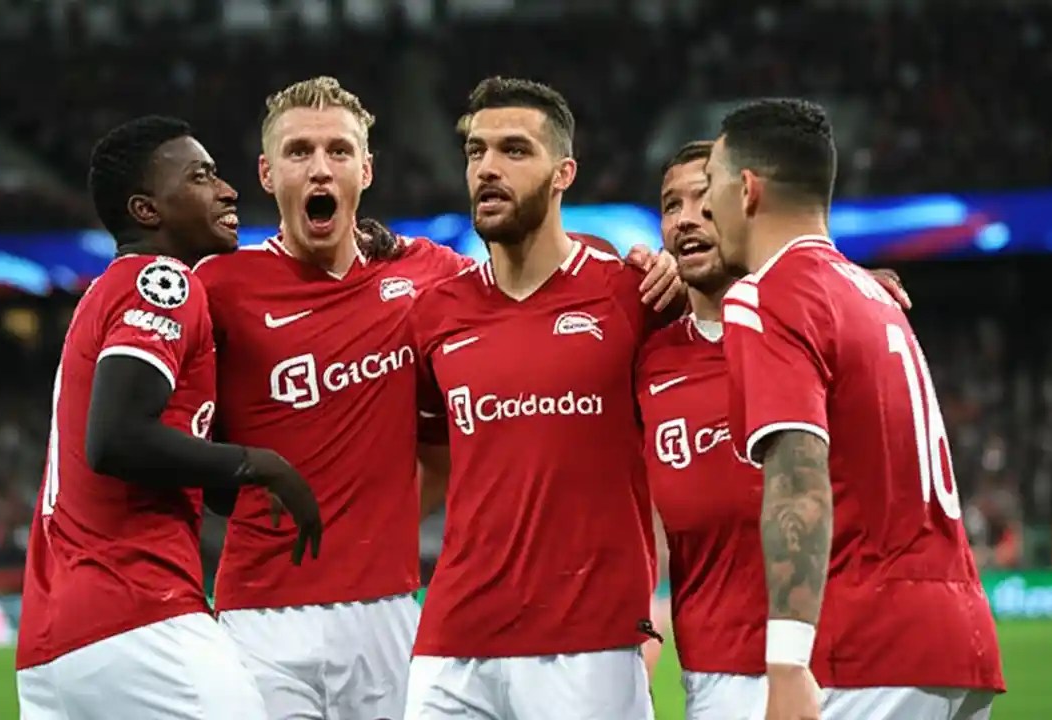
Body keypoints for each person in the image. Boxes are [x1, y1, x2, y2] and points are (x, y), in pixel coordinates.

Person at [197, 77, 682, 720]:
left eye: (339, 151)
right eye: (298, 152)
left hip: (394, 611)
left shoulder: (432, 281)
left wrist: (658, 268)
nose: (320, 167)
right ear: (265, 171)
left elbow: (541, 299)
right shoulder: (218, 288)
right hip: (260, 608)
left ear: (366, 170)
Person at [702, 98, 1005, 720]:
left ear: (749, 190)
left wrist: (786, 663)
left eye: (711, 184)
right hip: (960, 639)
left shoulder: (765, 297)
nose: (705, 206)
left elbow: (799, 478)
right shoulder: (873, 293)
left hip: (868, 649)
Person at [15, 116, 323, 720]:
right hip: (134, 614)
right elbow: (116, 439)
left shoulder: (106, 292)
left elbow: (194, 484)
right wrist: (260, 465)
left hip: (53, 644)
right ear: (147, 210)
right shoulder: (162, 283)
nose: (228, 190)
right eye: (202, 176)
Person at [404, 76, 682, 720]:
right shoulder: (435, 314)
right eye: (476, 152)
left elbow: (738, 310)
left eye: (514, 150)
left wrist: (863, 284)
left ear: (564, 173)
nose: (488, 169)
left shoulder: (631, 295)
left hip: (587, 644)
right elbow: (428, 456)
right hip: (452, 641)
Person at [638, 141, 910, 718]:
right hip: (712, 677)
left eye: (705, 201)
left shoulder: (807, 325)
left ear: (744, 208)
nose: (686, 218)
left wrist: (848, 286)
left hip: (833, 665)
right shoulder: (646, 356)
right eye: (670, 205)